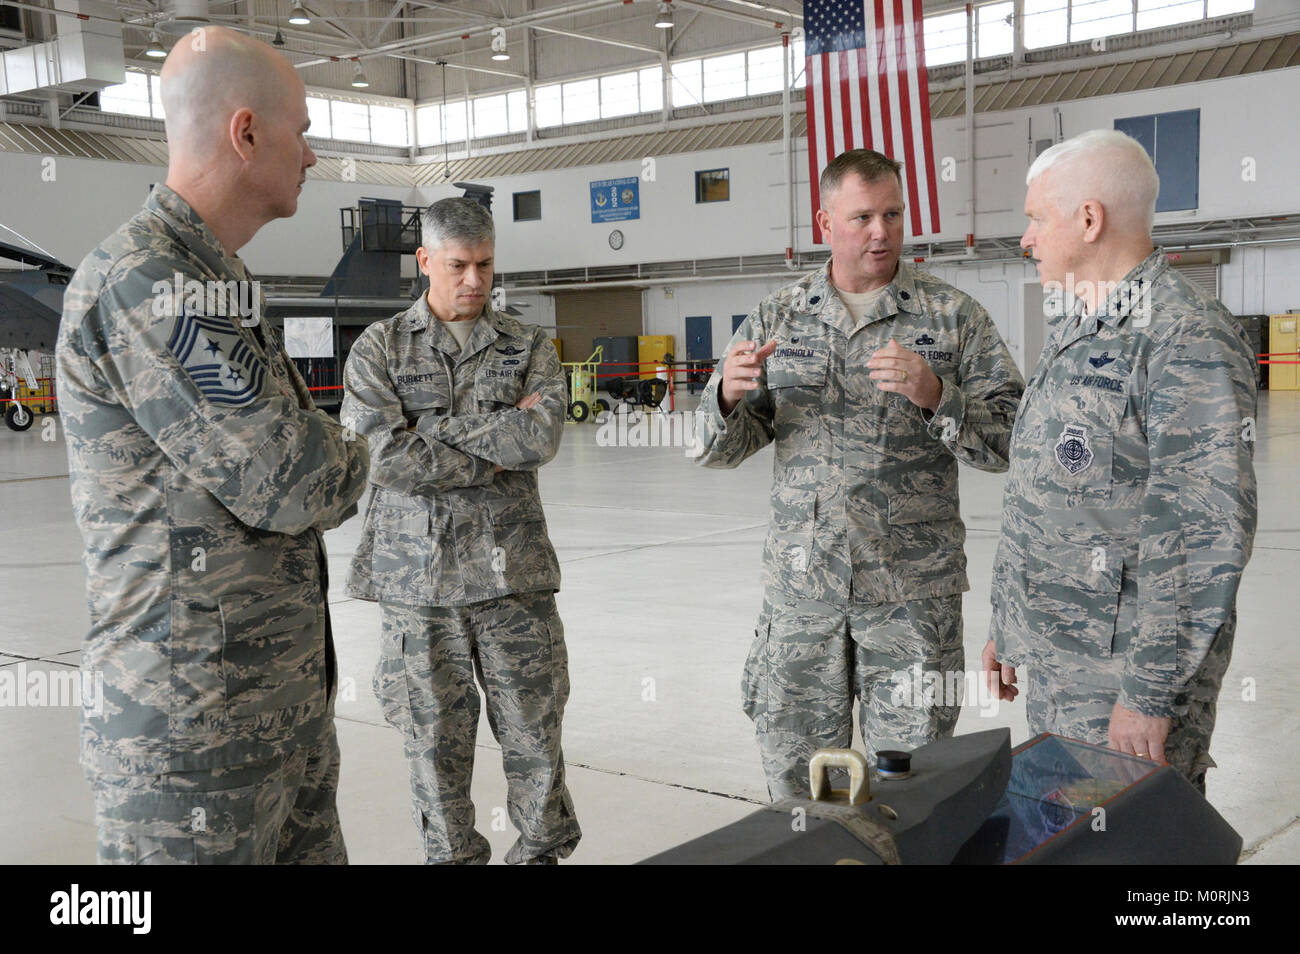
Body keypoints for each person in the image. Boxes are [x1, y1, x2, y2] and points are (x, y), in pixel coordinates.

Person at [56, 26, 369, 863]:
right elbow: (293, 480)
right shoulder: (152, 284)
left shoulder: (210, 280)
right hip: (194, 746)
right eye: (301, 130)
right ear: (246, 133)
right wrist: (366, 439)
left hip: (266, 718)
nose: (311, 154)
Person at [693, 149, 1025, 798]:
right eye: (863, 216)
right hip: (801, 597)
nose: (881, 231)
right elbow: (716, 451)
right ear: (825, 222)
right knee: (796, 784)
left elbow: (1011, 440)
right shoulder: (776, 318)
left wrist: (938, 396)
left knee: (912, 785)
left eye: (893, 214)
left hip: (909, 599)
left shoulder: (952, 318)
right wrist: (727, 399)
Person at [983, 130, 1257, 794]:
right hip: (1060, 668)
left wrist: (1149, 691)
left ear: (1088, 218)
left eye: (1037, 218)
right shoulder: (1078, 330)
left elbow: (1201, 532)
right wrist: (1009, 624)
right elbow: (1046, 492)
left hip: (1122, 687)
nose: (1027, 239)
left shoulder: (1184, 337)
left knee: (1137, 865)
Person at [341, 197, 580, 864]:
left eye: (486, 265)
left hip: (514, 580)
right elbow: (381, 456)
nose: (475, 280)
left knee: (535, 735)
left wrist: (432, 432)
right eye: (458, 265)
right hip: (417, 588)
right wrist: (494, 438)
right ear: (424, 262)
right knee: (432, 744)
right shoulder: (380, 348)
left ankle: (539, 856)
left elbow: (541, 436)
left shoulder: (527, 345)